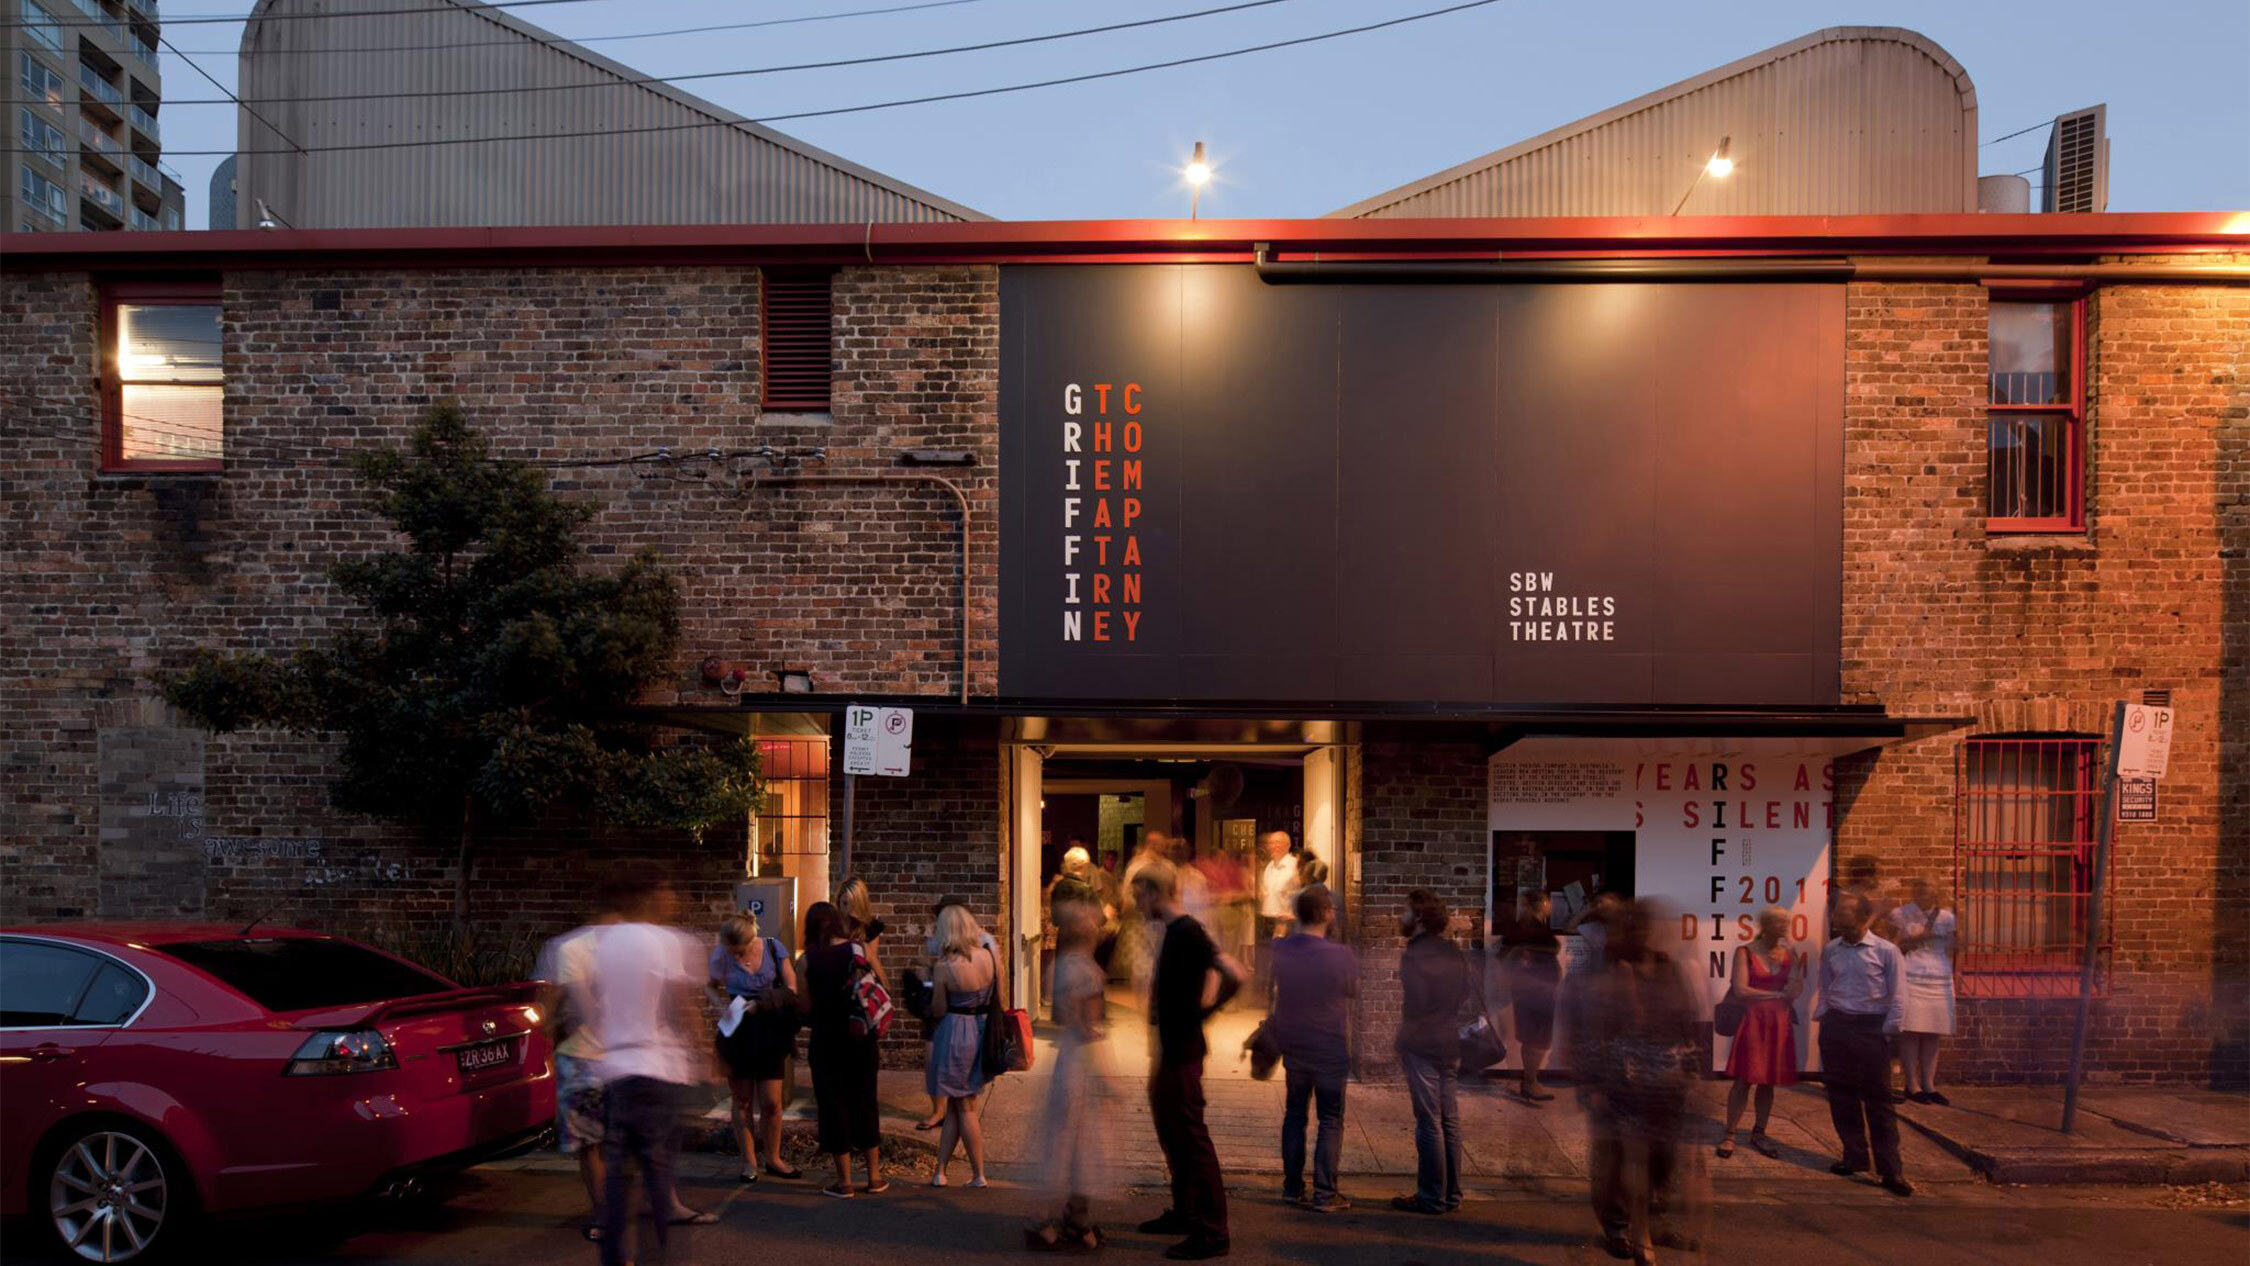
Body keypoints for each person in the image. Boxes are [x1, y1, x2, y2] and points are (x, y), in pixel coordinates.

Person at [591, 868, 717, 1266]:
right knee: (657, 1173)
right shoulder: (667, 942)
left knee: (618, 1175)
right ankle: (658, 1257)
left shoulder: (602, 942)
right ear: (650, 896)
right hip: (656, 1070)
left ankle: (615, 1257)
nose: (674, 898)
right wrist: (705, 1054)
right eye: (667, 889)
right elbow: (682, 1004)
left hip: (615, 1071)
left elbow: (593, 1004)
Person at [1570, 901, 1701, 1265]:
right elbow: (1590, 1024)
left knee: (1663, 1156)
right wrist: (1590, 1082)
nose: (1645, 934)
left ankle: (1650, 1222)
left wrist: (1691, 1070)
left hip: (1665, 1079)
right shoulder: (1605, 968)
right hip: (1620, 1077)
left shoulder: (1666, 967)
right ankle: (1623, 1228)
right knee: (1619, 1159)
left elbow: (1685, 1019)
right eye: (1637, 927)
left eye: (1649, 927)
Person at [1134, 856, 1246, 1261]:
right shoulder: (1174, 931)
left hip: (1183, 1051)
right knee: (1174, 1134)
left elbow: (1235, 971)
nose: (1136, 903)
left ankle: (1213, 1230)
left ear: (1154, 892)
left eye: (1138, 894)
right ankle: (1186, 1212)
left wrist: (1203, 1013)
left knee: (1192, 1137)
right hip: (1171, 1049)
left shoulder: (1188, 932)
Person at [1028, 901, 1115, 1252]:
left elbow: (1063, 1017)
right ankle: (1057, 1219)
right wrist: (1107, 1074)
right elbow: (1085, 1025)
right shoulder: (1089, 972)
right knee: (1078, 1143)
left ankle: (1071, 1216)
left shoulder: (1062, 966)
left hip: (1066, 1057)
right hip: (1082, 1060)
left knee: (1066, 1141)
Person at [533, 888, 618, 1243]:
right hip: (622, 1056)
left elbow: (547, 1004)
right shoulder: (636, 948)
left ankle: (604, 1214)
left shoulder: (564, 947)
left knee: (590, 1143)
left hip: (583, 1056)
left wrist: (549, 1038)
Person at [1817, 891, 1912, 1197]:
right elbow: (1825, 985)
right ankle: (1854, 1156)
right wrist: (1825, 1017)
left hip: (1872, 1028)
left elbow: (1899, 996)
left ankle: (1891, 1170)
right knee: (1841, 1097)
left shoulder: (1886, 951)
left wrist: (1888, 1031)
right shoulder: (1831, 949)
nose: (1835, 917)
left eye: (1843, 913)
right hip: (1837, 1026)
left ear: (1860, 918)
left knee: (1878, 1101)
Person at [1269, 884, 1356, 1212]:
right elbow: (1351, 989)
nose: (1335, 913)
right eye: (1332, 909)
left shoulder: (1282, 950)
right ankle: (1324, 1193)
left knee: (1294, 1115)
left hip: (1294, 1043)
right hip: (1329, 1045)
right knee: (1330, 1118)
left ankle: (1292, 1188)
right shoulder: (1340, 954)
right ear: (1323, 914)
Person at [797, 899, 887, 1199]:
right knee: (865, 1101)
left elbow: (805, 1006)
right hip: (860, 1037)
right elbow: (882, 984)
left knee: (833, 1105)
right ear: (838, 922)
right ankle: (874, 1178)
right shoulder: (859, 950)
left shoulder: (806, 961)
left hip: (826, 1041)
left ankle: (845, 1182)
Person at [709, 910, 802, 1183]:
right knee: (742, 1101)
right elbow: (709, 986)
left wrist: (761, 1004)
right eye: (732, 952)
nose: (736, 957)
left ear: (752, 940)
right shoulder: (721, 954)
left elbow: (792, 989)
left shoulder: (773, 947)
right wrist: (720, 1006)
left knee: (772, 1102)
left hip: (768, 1027)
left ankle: (773, 1158)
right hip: (737, 1028)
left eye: (741, 951)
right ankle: (748, 1161)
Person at [1392, 889, 1467, 1217]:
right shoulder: (1453, 950)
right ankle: (1452, 1195)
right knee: (1449, 1119)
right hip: (1450, 1039)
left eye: (1406, 911)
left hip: (1422, 1043)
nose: (1401, 916)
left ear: (1419, 916)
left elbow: (1417, 1001)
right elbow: (1464, 991)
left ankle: (1431, 1196)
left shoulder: (1414, 955)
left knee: (1428, 1122)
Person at [1716, 906, 1803, 1160]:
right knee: (1744, 1078)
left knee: (1768, 1080)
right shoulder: (1745, 952)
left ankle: (1759, 1132)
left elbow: (1796, 986)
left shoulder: (1789, 953)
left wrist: (1791, 981)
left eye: (1785, 924)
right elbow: (1741, 989)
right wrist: (1776, 994)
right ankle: (1730, 1133)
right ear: (1766, 925)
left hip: (1779, 1021)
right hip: (1754, 1020)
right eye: (1778, 923)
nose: (1783, 928)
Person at [926, 902, 997, 1189]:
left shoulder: (944, 967)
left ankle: (979, 1173)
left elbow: (938, 1008)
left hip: (956, 1032)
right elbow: (998, 996)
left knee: (964, 1106)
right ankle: (940, 1170)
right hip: (980, 1028)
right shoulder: (987, 957)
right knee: (957, 1104)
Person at [1890, 878, 1956, 1106]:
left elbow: (1956, 947)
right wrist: (1919, 938)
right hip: (1912, 974)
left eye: (1930, 892)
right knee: (1912, 1031)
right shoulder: (1902, 914)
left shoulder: (1947, 918)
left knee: (1933, 1033)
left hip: (1939, 976)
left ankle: (1929, 1084)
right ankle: (1912, 1084)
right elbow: (1895, 946)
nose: (1926, 896)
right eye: (1922, 891)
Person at [1499, 890, 1562, 1102]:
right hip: (1536, 992)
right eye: (1549, 902)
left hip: (1537, 990)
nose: (1550, 906)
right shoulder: (1529, 928)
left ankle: (1530, 1080)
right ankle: (1530, 1082)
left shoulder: (1527, 926)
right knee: (1538, 1038)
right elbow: (1507, 955)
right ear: (1543, 903)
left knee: (1534, 1037)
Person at [1256, 831, 1302, 984]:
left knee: (1285, 964)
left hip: (1285, 923)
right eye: (1271, 843)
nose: (1272, 846)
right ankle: (1275, 998)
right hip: (1268, 922)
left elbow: (1303, 894)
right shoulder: (1270, 866)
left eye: (1277, 842)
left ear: (1287, 845)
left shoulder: (1294, 866)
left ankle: (1285, 997)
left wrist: (1294, 915)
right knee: (1272, 964)